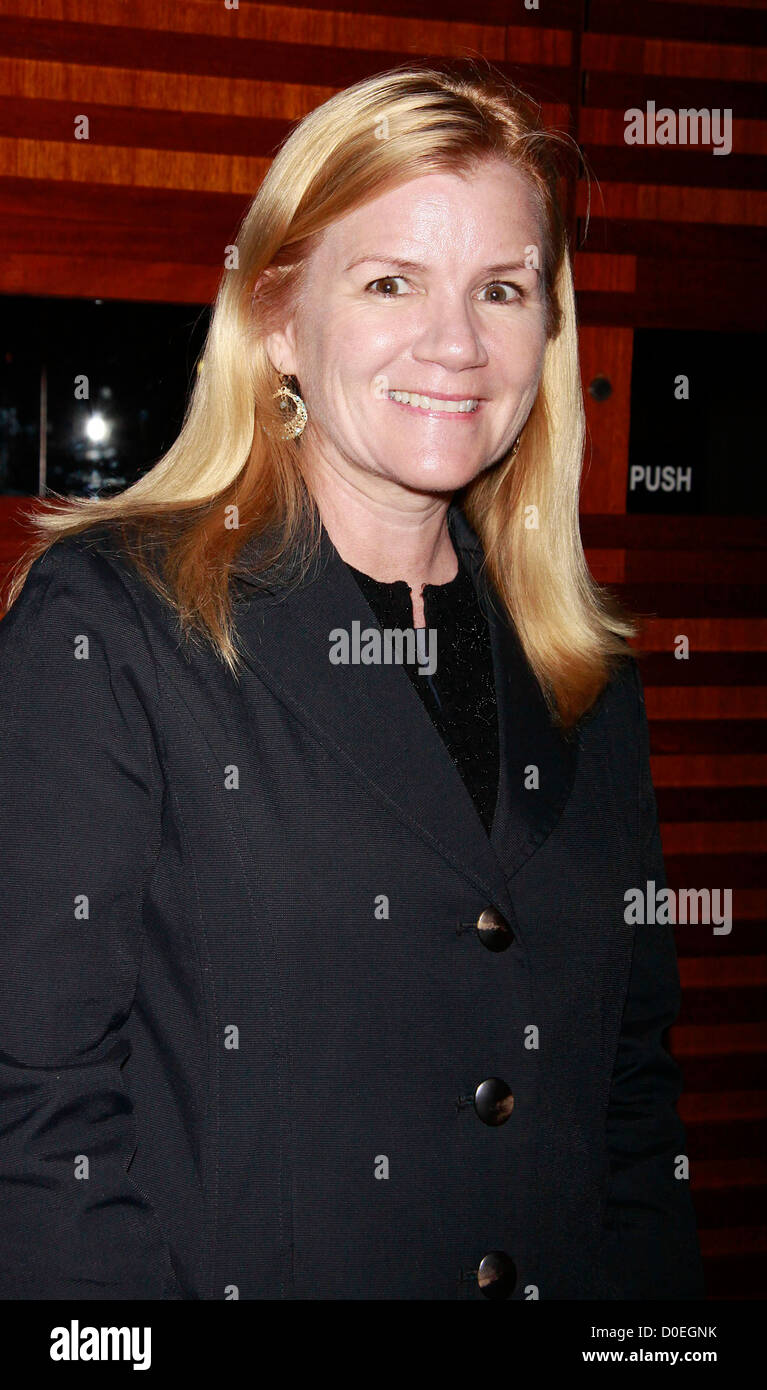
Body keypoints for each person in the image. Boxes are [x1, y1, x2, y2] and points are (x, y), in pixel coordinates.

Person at [0, 62, 704, 1301]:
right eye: (390, 282)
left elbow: (630, 1092)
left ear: (548, 332)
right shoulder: (113, 620)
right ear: (278, 317)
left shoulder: (579, 658)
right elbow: (34, 1112)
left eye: (502, 287)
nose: (457, 341)